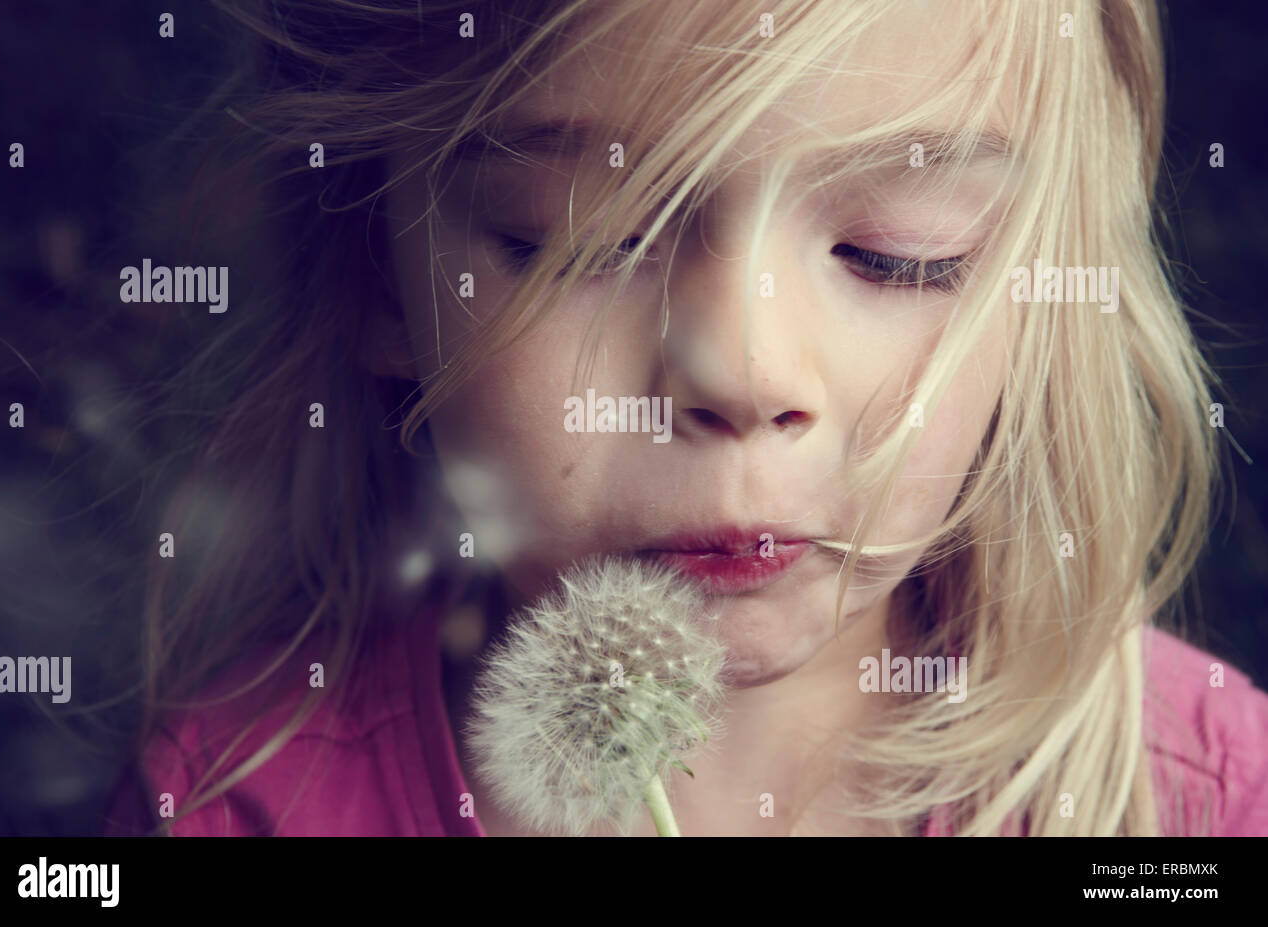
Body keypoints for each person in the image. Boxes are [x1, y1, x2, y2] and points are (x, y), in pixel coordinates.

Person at [104, 0, 1268, 837]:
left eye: (900, 254)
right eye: (585, 241)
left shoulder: (1200, 796)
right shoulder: (230, 809)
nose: (746, 375)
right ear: (377, 274)